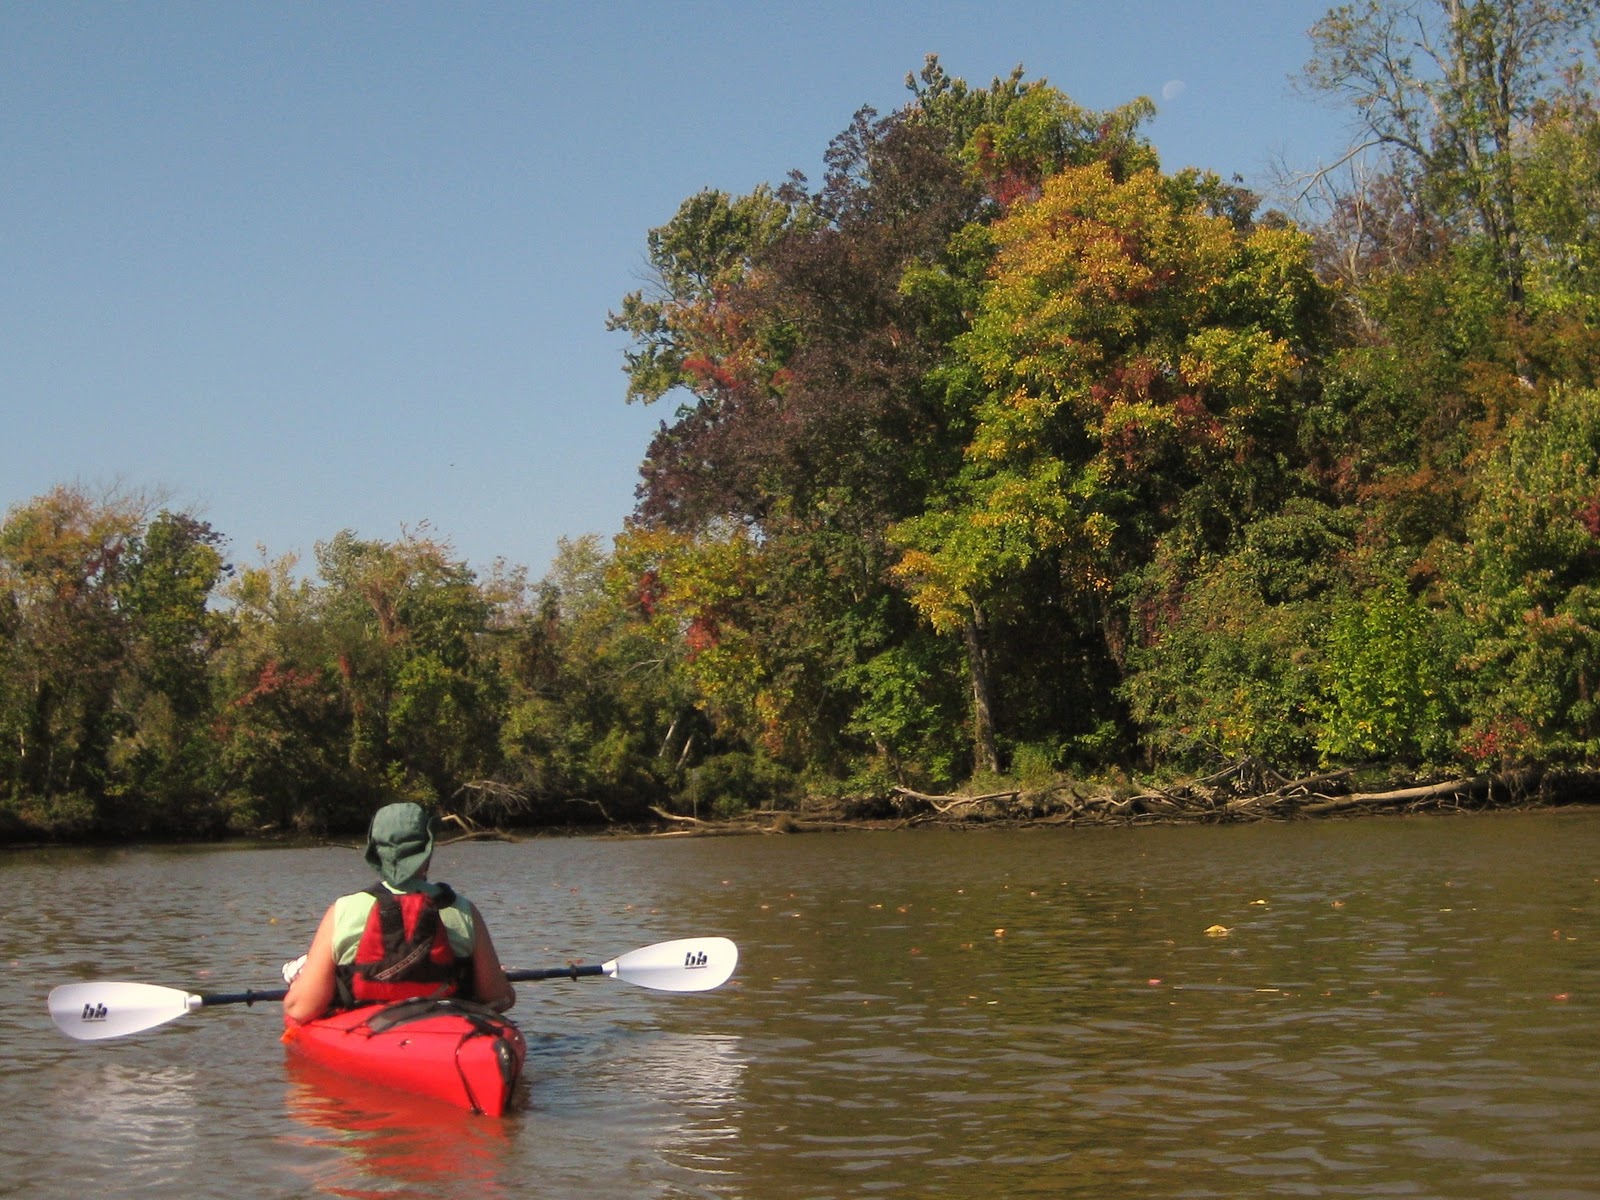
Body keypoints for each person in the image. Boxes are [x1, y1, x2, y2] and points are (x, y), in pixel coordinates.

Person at [282, 802, 516, 1024]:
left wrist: (298, 985)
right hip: (445, 1028)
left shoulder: (343, 911)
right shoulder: (462, 910)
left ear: (376, 852)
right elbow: (497, 998)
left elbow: (301, 1009)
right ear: (428, 849)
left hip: (370, 1032)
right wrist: (500, 980)